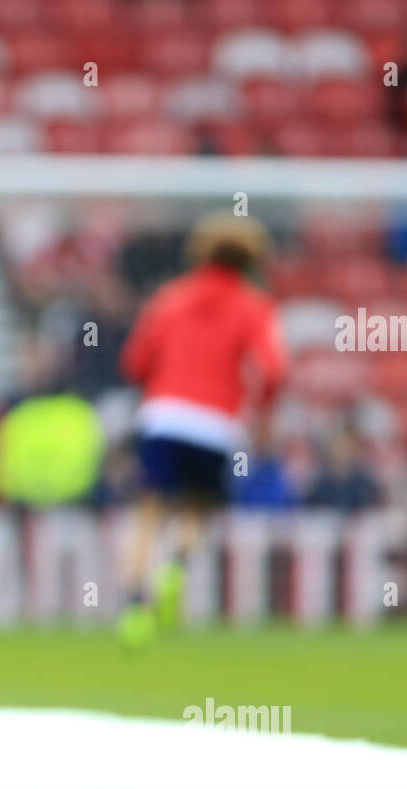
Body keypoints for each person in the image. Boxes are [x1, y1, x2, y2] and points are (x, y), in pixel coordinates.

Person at [116, 213, 287, 642]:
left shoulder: (171, 298)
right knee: (196, 507)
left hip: (165, 414)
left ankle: (135, 605)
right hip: (215, 424)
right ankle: (175, 567)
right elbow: (273, 369)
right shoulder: (254, 304)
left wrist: (160, 381)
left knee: (149, 511)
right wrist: (261, 413)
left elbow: (135, 360)